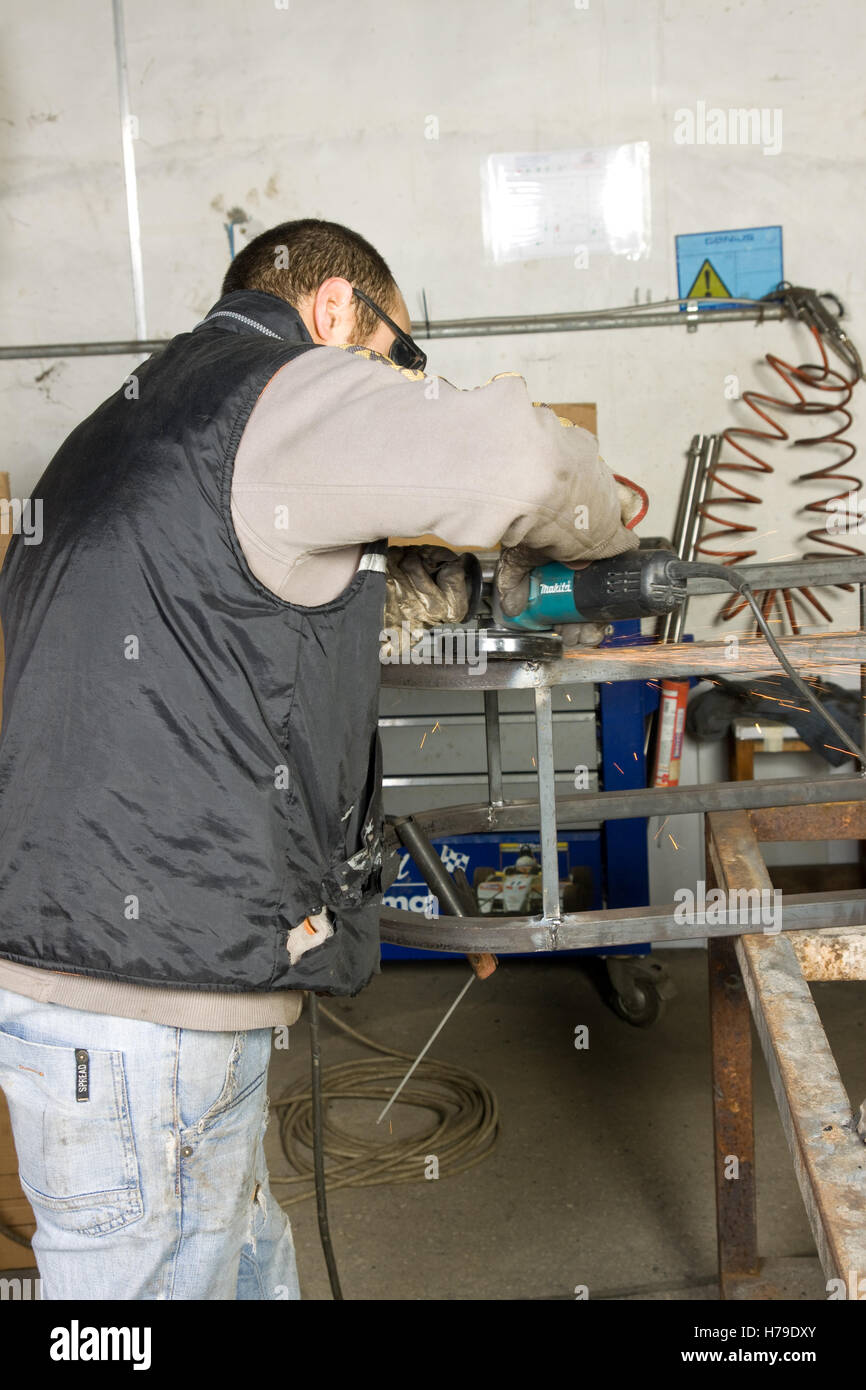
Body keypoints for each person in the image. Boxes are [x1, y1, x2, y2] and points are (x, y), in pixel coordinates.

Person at [0, 218, 639, 1299]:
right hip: (140, 1007)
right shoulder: (279, 388)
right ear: (336, 310)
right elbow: (523, 459)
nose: (389, 388)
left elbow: (231, 616)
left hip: (122, 975)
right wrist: (609, 535)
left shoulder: (126, 420)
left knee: (246, 1261)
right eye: (395, 361)